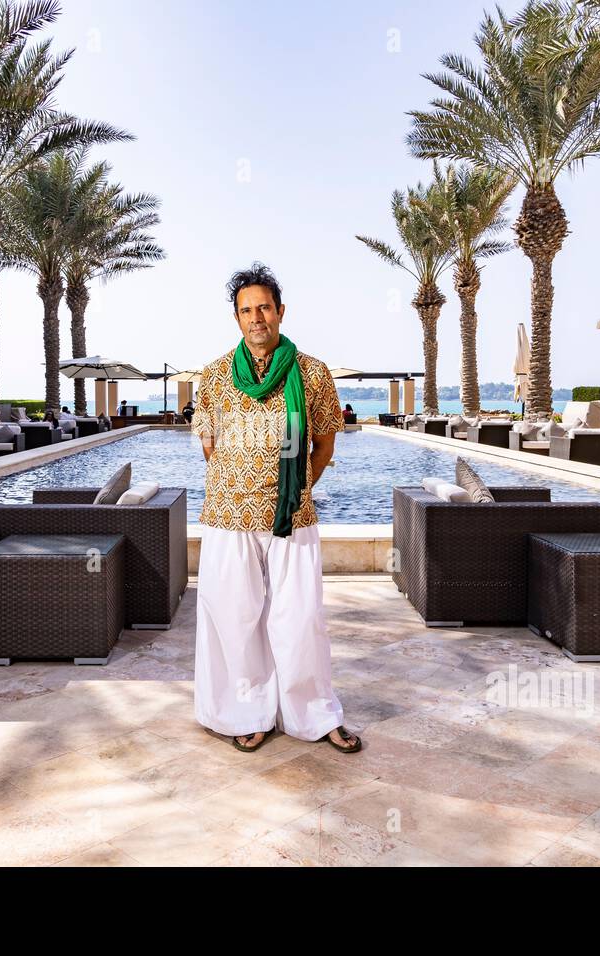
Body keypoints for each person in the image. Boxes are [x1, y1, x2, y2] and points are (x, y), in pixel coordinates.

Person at [191, 262, 360, 755]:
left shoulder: (312, 373)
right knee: (233, 615)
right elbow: (210, 445)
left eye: (263, 307)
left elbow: (323, 446)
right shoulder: (215, 375)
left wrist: (293, 491)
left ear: (280, 311)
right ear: (236, 318)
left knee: (300, 618)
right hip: (229, 516)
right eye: (246, 310)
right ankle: (244, 711)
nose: (255, 317)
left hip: (293, 516)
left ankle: (313, 713)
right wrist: (241, 481)